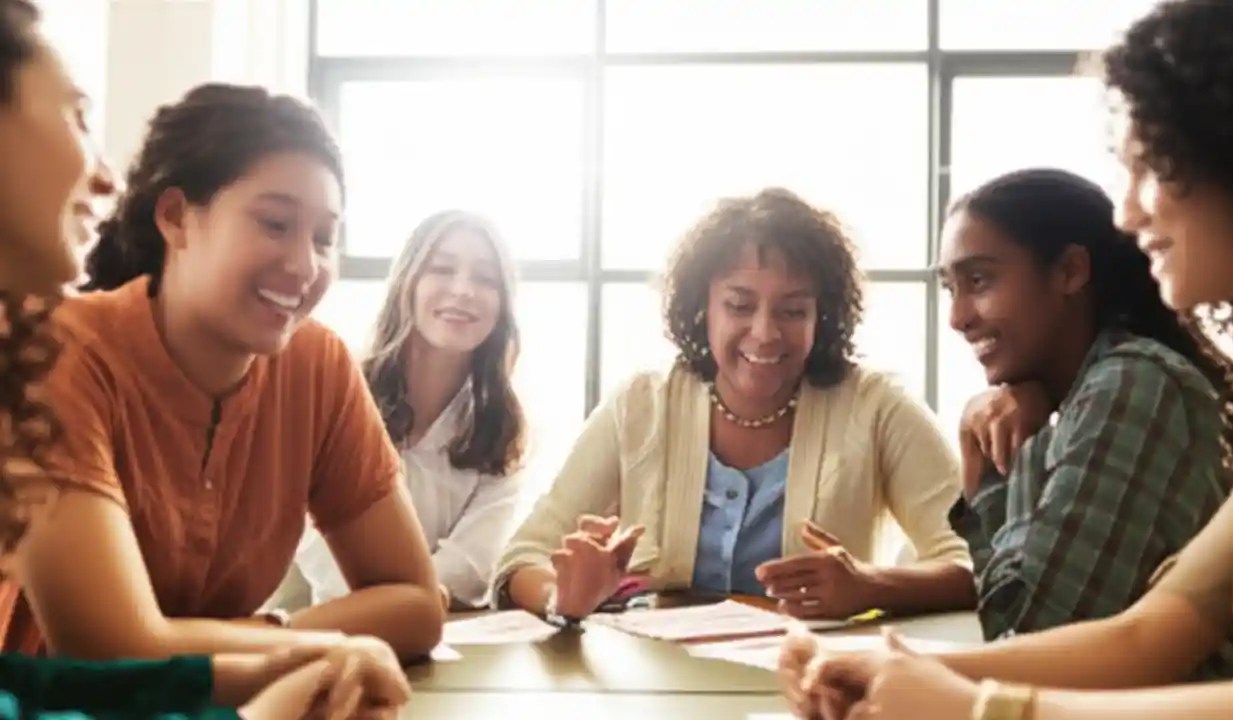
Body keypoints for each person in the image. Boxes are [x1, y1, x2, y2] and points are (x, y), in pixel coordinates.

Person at [779, 1, 1233, 717]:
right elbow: (1146, 633)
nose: (1128, 213)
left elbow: (1037, 617)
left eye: (1151, 168)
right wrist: (882, 668)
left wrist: (978, 706)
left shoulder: (1136, 384)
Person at [0, 1, 410, 717]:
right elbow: (107, 649)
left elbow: (414, 598)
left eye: (324, 237)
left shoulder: (315, 362)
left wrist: (269, 642)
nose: (304, 264)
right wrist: (300, 651)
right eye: (275, 223)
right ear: (174, 218)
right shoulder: (60, 350)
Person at [493, 188, 974, 622]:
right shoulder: (640, 406)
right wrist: (566, 599)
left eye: (792, 310)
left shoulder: (878, 408)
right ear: (702, 306)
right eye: (740, 306)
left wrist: (871, 585)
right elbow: (521, 560)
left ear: (821, 317)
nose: (765, 333)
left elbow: (984, 562)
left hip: (814, 687)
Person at [940, 168, 1233, 642]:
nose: (957, 318)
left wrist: (1002, 473)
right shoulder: (1081, 401)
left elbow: (1029, 635)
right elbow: (1005, 616)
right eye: (949, 289)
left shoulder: (1134, 383)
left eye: (979, 280)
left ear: (1069, 271)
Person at [294, 210, 526, 610]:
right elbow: (317, 546)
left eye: (485, 279)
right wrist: (396, 607)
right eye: (442, 268)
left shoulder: (503, 426)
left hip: (444, 638)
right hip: (333, 629)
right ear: (407, 282)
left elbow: (471, 566)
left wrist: (404, 609)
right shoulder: (340, 390)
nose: (463, 290)